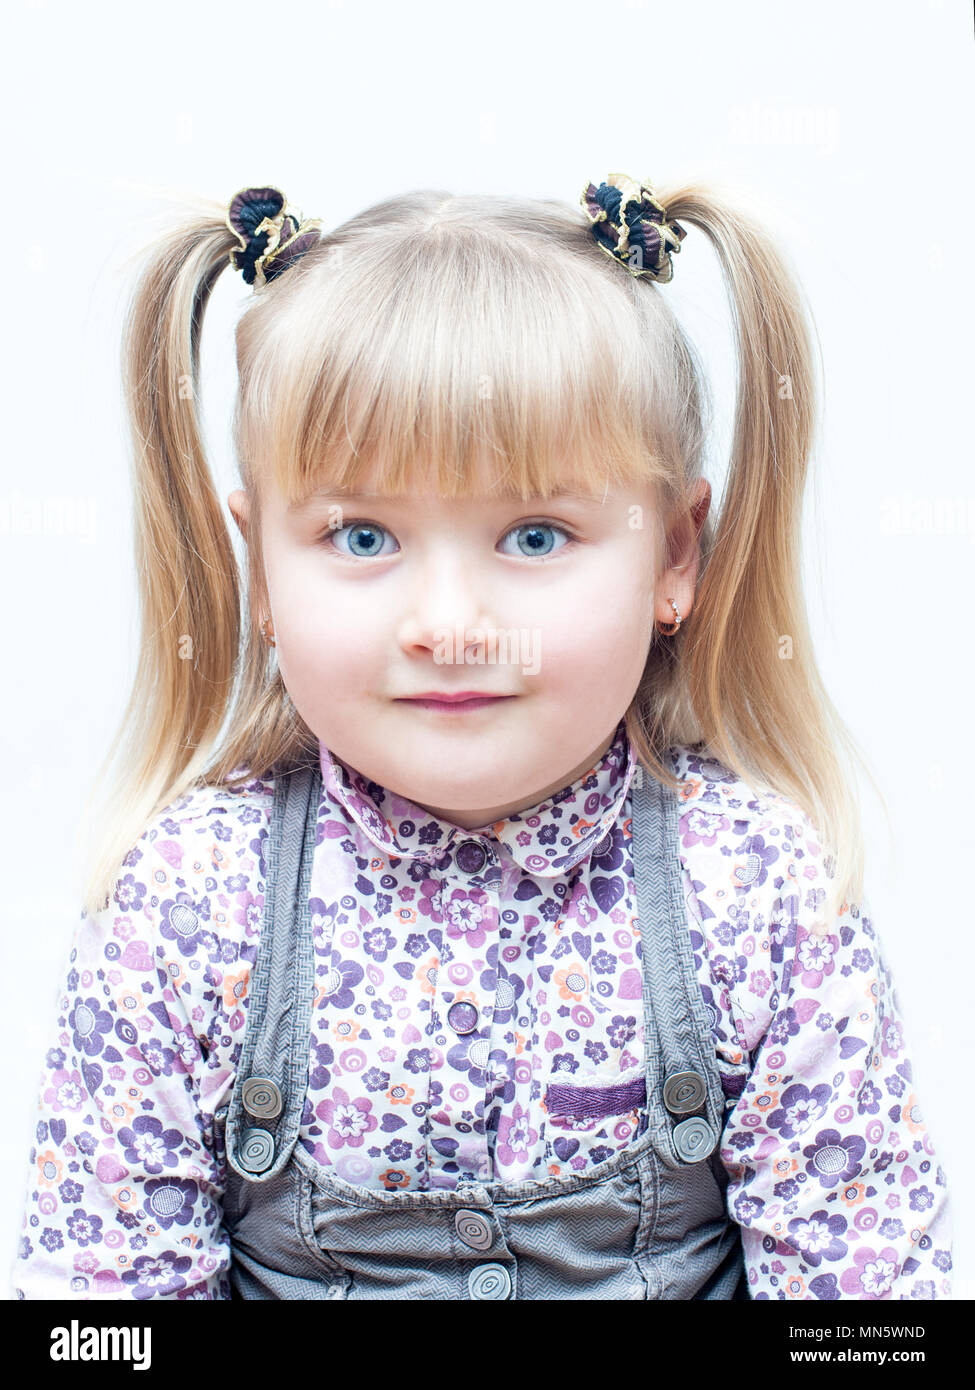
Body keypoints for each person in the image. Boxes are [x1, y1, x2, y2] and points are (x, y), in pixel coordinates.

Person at [11, 176, 952, 1300]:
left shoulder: (757, 897)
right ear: (259, 566)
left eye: (536, 534)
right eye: (362, 535)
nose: (449, 625)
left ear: (673, 556)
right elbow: (99, 1315)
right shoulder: (187, 905)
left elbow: (876, 1311)